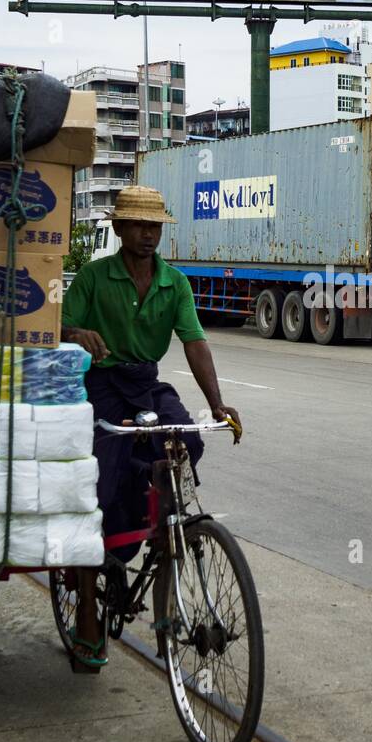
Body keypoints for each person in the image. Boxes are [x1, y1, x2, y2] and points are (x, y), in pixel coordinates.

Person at [60, 185, 241, 672]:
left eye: (154, 226)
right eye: (138, 225)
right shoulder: (95, 277)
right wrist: (77, 334)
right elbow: (57, 327)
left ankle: (161, 527)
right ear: (118, 228)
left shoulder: (174, 282)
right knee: (100, 479)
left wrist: (218, 404)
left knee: (187, 438)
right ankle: (87, 611)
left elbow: (194, 343)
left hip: (145, 382)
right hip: (99, 385)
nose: (147, 234)